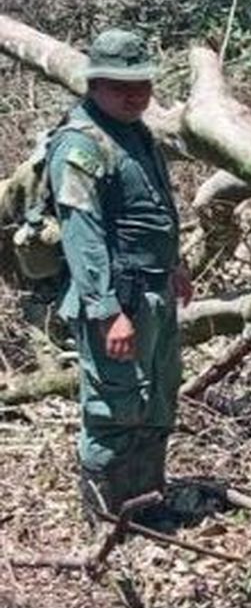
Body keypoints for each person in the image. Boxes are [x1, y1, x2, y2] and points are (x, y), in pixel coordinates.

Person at [49, 28, 191, 530]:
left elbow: (153, 209)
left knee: (158, 400)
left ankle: (147, 508)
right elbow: (82, 236)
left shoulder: (137, 134)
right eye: (118, 85)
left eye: (141, 84)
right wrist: (108, 311)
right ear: (93, 85)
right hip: (116, 301)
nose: (133, 94)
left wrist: (174, 264)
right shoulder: (80, 145)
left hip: (153, 293)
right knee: (113, 409)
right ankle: (107, 523)